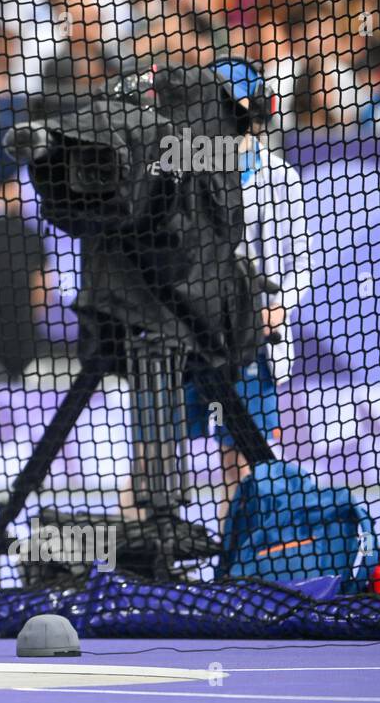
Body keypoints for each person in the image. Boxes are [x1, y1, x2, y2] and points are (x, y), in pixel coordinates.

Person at [120, 59, 311, 530]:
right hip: (179, 331)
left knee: (242, 459)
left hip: (247, 338)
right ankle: (139, 555)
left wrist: (280, 305)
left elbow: (299, 264)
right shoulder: (177, 168)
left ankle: (239, 555)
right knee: (154, 454)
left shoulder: (279, 179)